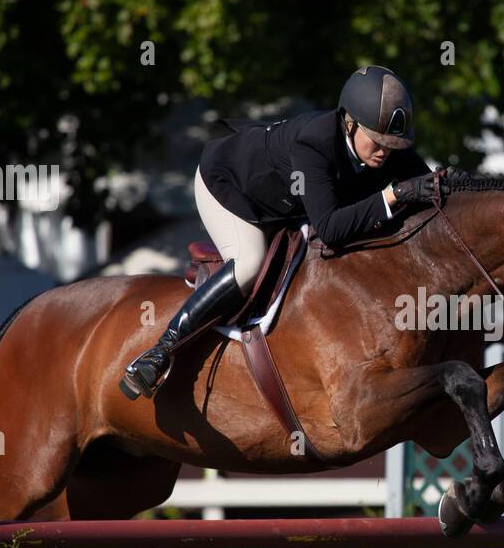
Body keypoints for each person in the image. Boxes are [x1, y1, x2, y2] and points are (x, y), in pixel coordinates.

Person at [120, 65, 440, 400]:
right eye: (377, 141)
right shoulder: (315, 144)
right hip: (228, 186)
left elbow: (426, 184)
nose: (384, 152)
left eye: (391, 145)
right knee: (249, 261)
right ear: (350, 122)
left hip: (283, 204)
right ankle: (161, 350)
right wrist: (391, 197)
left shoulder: (382, 150)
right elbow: (330, 228)